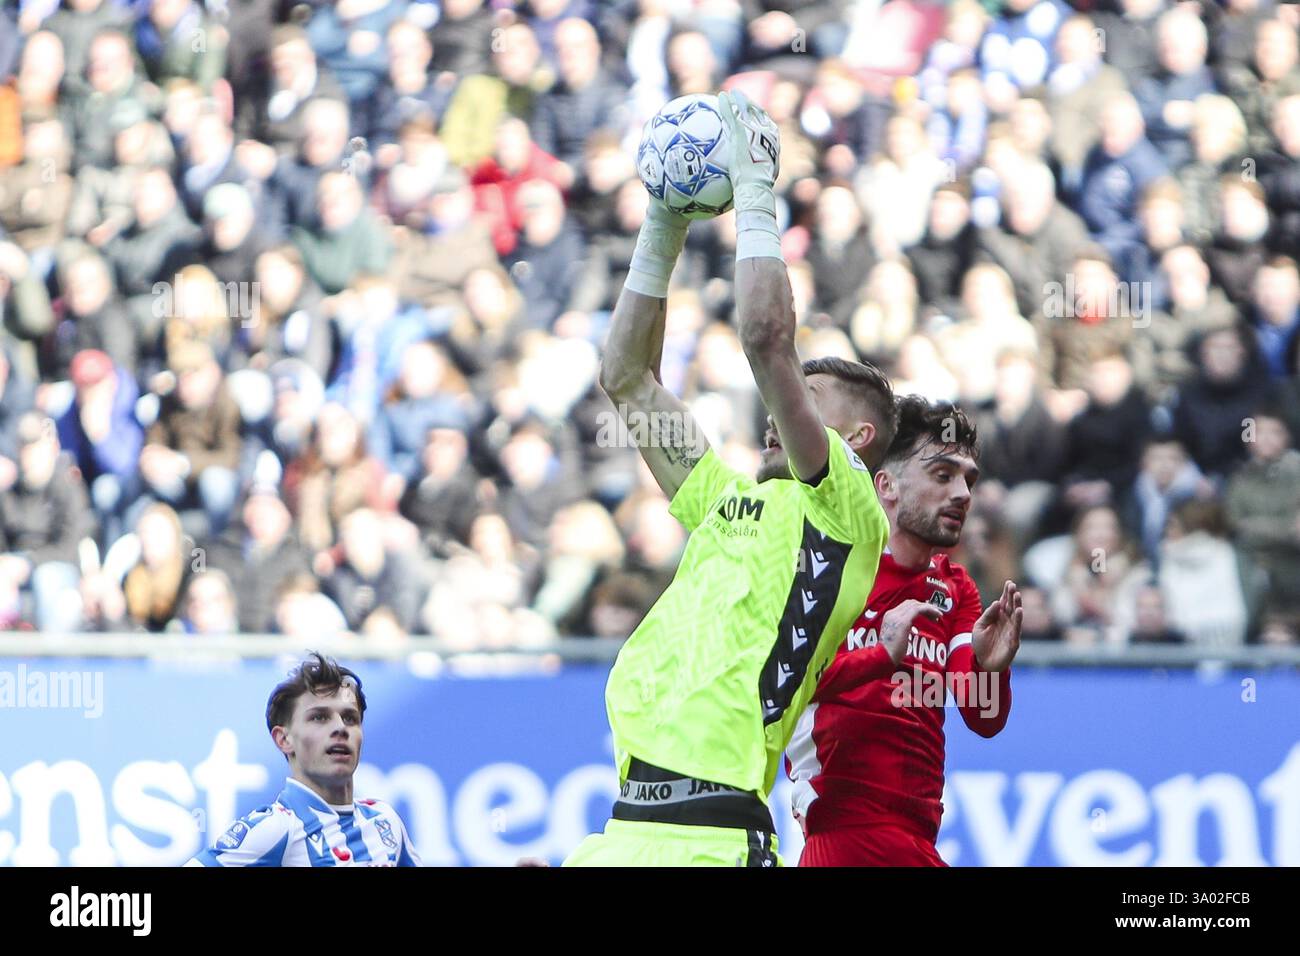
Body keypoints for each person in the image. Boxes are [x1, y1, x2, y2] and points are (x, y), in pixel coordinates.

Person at [565, 92, 895, 867]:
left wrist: (753, 193)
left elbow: (767, 340)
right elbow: (626, 379)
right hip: (620, 830)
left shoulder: (846, 514)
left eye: (806, 402)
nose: (778, 415)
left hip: (713, 840)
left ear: (856, 438)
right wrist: (662, 225)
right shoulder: (728, 498)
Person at [788, 396, 1022, 866]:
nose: (962, 493)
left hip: (914, 837)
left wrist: (990, 668)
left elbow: (983, 718)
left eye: (968, 480)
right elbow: (788, 680)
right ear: (886, 484)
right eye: (942, 475)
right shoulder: (827, 565)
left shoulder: (955, 588)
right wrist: (880, 655)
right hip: (846, 832)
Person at [187, 653, 420, 866]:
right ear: (284, 739)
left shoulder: (384, 822)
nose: (340, 727)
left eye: (350, 718)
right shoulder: (276, 828)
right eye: (319, 717)